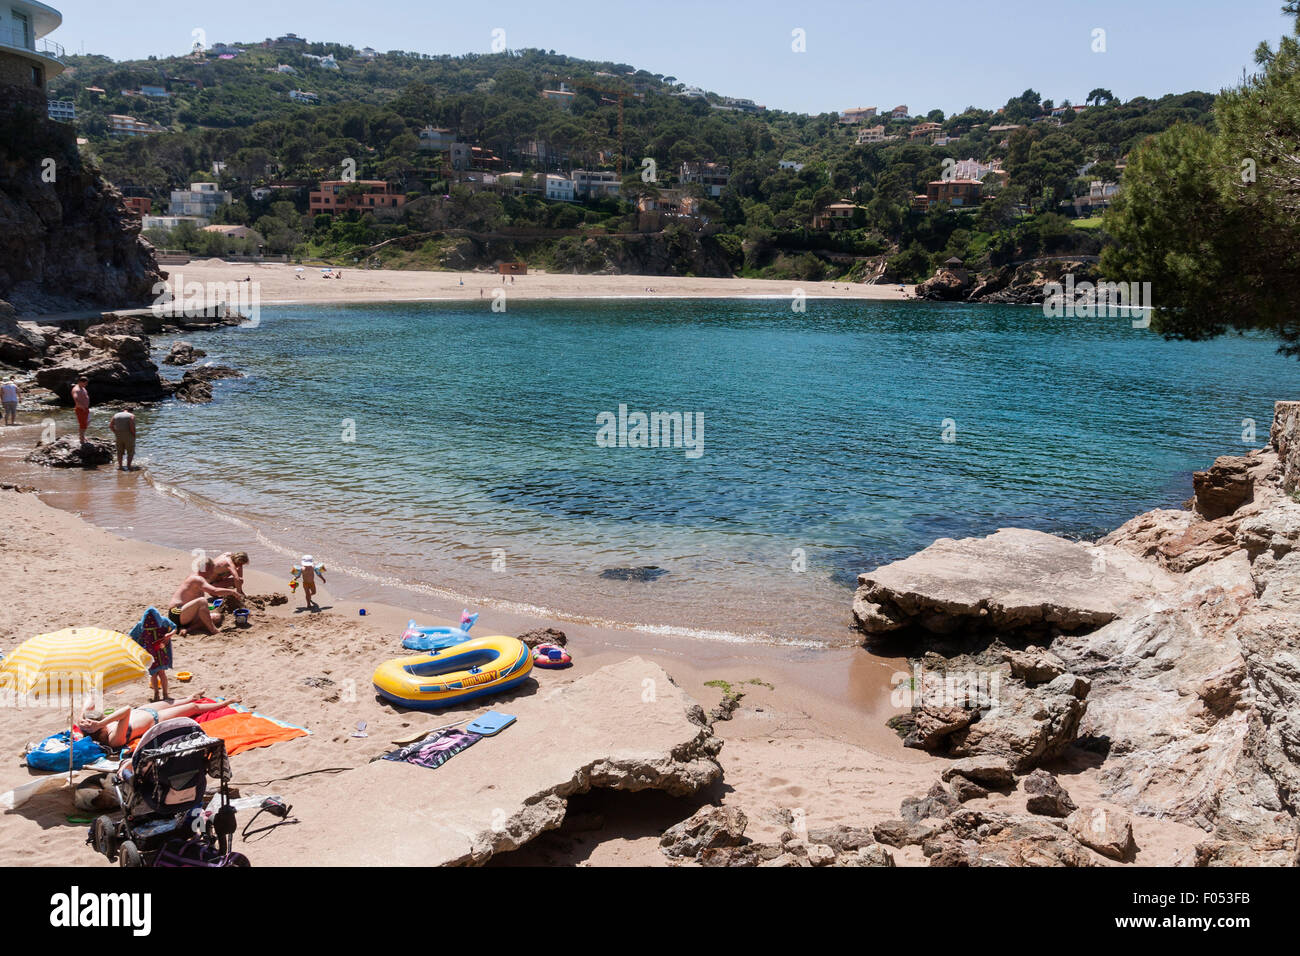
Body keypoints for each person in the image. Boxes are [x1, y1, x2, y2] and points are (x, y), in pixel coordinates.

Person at [78, 696, 239, 750]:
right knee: (193, 707)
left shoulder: (95, 727)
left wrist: (81, 715)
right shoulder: (114, 740)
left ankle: (190, 696)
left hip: (143, 710)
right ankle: (225, 702)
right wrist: (101, 722)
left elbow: (89, 701)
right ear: (100, 728)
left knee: (175, 701)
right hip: (156, 718)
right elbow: (125, 710)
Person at [168, 558, 240, 635]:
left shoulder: (200, 578)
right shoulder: (196, 578)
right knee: (202, 601)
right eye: (212, 570)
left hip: (187, 614)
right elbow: (214, 591)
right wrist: (232, 592)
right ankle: (213, 630)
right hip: (176, 613)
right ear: (206, 568)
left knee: (217, 617)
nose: (213, 572)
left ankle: (188, 628)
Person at [109, 406, 137, 470]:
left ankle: (120, 466)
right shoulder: (131, 416)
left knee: (119, 452)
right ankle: (129, 466)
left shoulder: (116, 415)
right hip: (128, 435)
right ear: (131, 411)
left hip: (118, 435)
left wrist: (115, 432)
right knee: (130, 451)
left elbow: (110, 426)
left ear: (124, 410)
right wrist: (134, 435)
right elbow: (132, 427)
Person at [71, 376, 90, 443]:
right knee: (83, 424)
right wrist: (82, 407)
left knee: (87, 422)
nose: (86, 384)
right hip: (81, 409)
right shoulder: (76, 389)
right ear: (80, 382)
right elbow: (76, 399)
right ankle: (81, 439)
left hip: (85, 409)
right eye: (85, 383)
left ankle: (82, 436)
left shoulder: (82, 388)